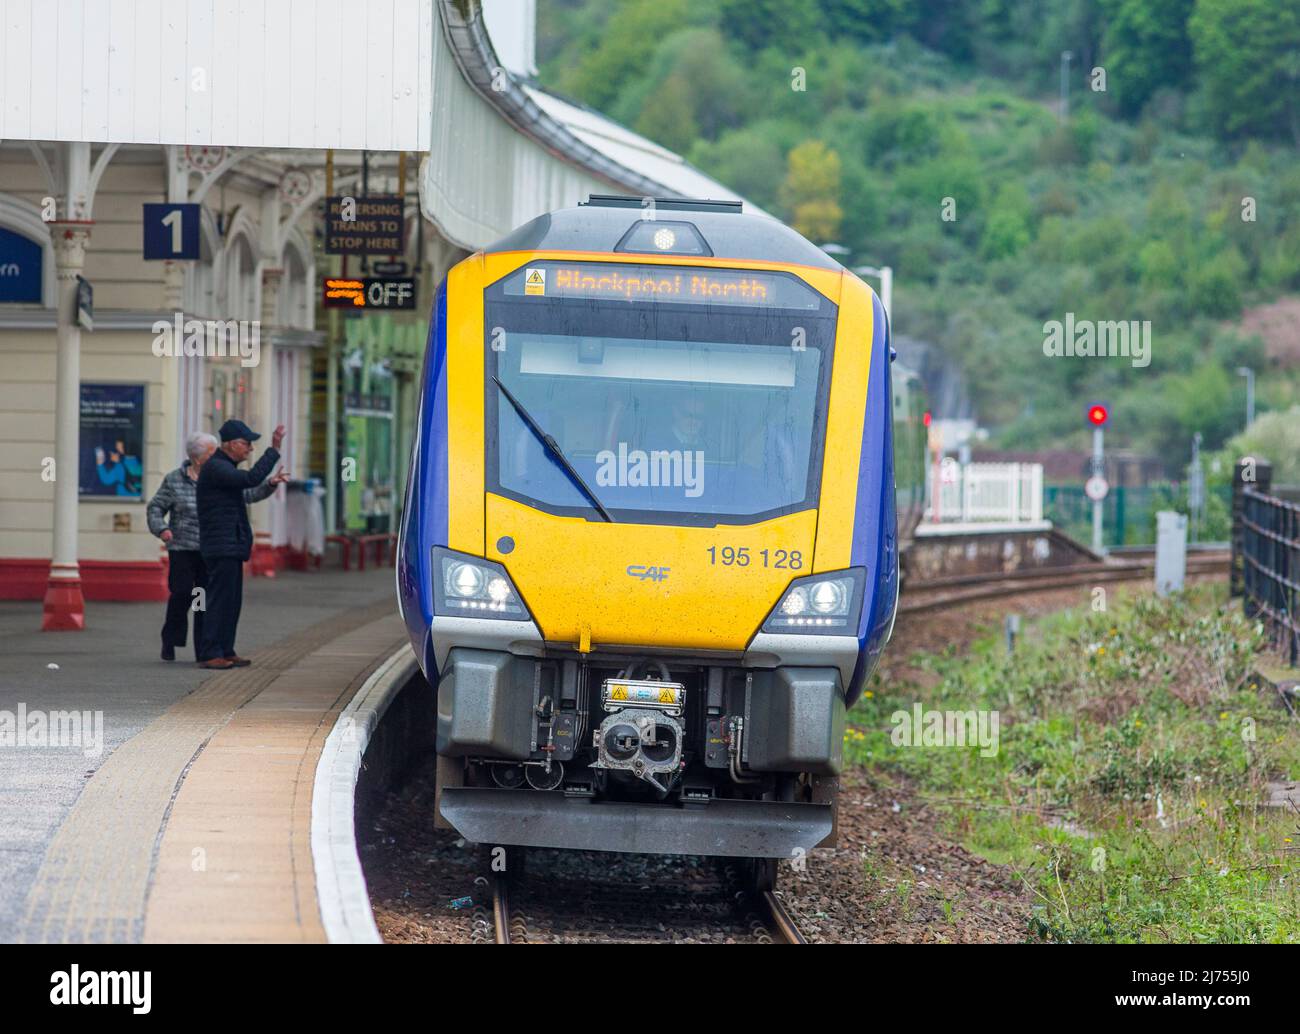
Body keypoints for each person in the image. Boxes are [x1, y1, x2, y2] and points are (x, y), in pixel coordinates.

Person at [147, 432, 288, 662]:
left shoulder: (223, 476)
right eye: (212, 453)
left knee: (202, 597)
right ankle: (171, 638)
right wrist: (161, 529)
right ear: (198, 458)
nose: (217, 456)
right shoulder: (175, 480)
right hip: (183, 547)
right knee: (182, 593)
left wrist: (270, 484)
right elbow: (155, 507)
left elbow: (249, 493)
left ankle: (203, 649)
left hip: (206, 548)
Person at [195, 419, 285, 670]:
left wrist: (270, 483)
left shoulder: (225, 469)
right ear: (231, 444)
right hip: (221, 545)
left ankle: (225, 649)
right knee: (219, 600)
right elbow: (250, 479)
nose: (250, 449)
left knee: (232, 601)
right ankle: (210, 651)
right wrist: (274, 449)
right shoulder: (217, 468)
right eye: (246, 444)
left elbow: (250, 489)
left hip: (230, 544)